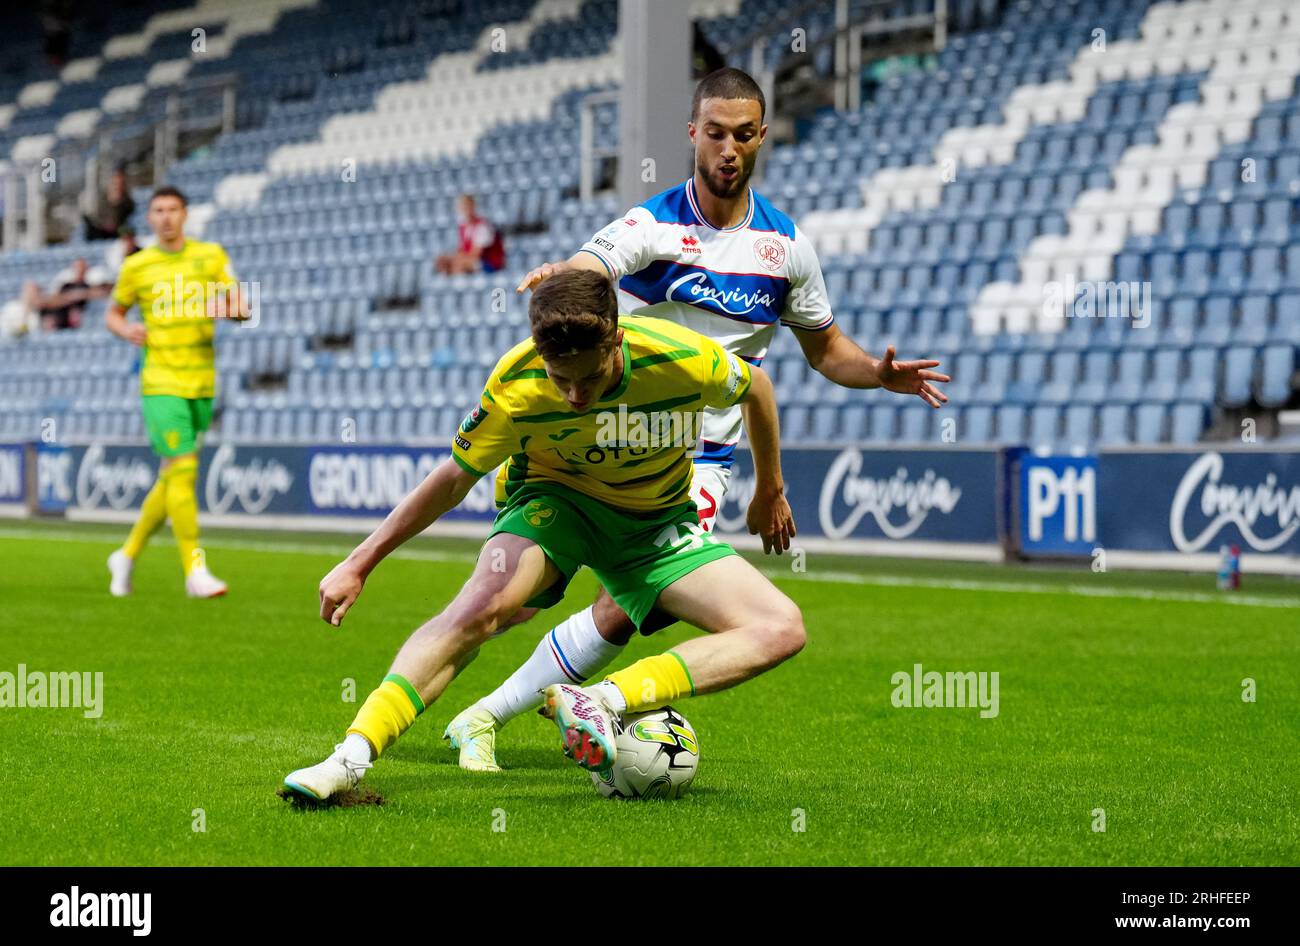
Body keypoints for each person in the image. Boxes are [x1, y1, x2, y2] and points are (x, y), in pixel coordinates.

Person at [440, 67, 950, 772]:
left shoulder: (786, 249)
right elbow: (596, 267)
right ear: (693, 135)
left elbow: (827, 350)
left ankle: (517, 712)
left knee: (631, 605)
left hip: (697, 458)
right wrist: (569, 273)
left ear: (762, 137)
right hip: (616, 442)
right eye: (715, 133)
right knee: (531, 603)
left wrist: (877, 374)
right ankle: (484, 707)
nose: (729, 149)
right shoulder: (654, 224)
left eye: (744, 135)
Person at [282, 269, 800, 800]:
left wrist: (769, 489)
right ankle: (347, 760)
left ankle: (603, 699)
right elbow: (454, 478)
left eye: (590, 379)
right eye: (561, 379)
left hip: (655, 524)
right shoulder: (516, 381)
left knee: (780, 627)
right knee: (481, 610)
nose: (576, 396)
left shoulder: (681, 357)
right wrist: (360, 562)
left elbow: (757, 387)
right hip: (555, 504)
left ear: (617, 339)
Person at [104, 186, 249, 599]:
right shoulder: (138, 265)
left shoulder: (211, 255)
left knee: (173, 479)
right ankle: (194, 571)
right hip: (160, 383)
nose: (166, 217)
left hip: (202, 382)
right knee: (184, 471)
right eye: (158, 210)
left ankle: (127, 554)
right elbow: (113, 314)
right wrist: (125, 328)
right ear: (149, 218)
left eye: (173, 209)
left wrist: (223, 308)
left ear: (186, 214)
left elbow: (243, 307)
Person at [434, 193, 505, 274]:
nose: (465, 210)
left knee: (458, 268)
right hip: (475, 262)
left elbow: (475, 255)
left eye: (467, 206)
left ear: (473, 206)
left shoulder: (482, 226)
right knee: (448, 266)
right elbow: (463, 250)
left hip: (489, 264)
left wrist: (453, 260)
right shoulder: (463, 227)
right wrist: (449, 259)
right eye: (463, 207)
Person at [38, 258, 111, 331]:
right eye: (78, 267)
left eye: (82, 267)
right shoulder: (66, 285)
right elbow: (51, 300)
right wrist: (72, 297)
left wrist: (82, 294)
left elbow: (104, 291)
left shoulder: (90, 284)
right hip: (64, 318)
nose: (80, 270)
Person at [84, 168, 137, 242]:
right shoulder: (102, 198)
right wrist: (104, 223)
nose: (117, 186)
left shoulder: (127, 201)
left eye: (120, 183)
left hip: (117, 230)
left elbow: (127, 217)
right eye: (115, 183)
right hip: (100, 229)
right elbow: (96, 215)